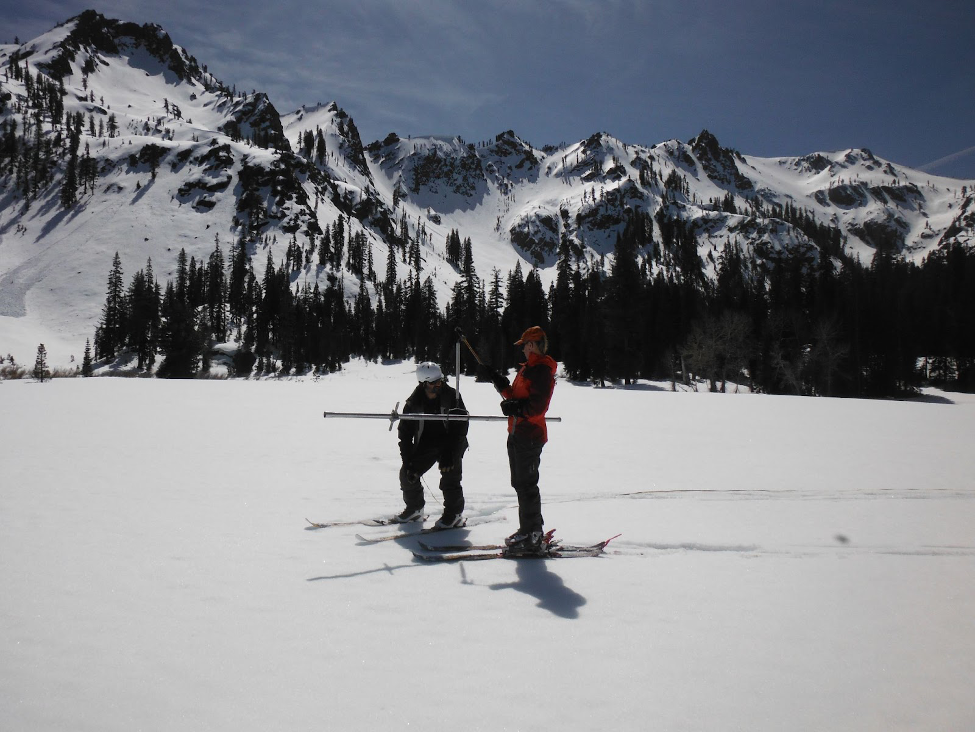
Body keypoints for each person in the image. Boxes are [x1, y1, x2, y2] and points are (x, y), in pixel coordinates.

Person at [477, 326, 557, 554]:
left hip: (529, 436)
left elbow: (537, 408)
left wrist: (515, 408)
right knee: (520, 483)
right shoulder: (528, 369)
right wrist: (498, 380)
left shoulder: (540, 370)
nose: (521, 350)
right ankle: (529, 529)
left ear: (532, 345)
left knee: (527, 485)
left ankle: (532, 534)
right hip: (517, 434)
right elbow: (515, 396)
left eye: (524, 345)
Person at [396, 361, 469, 528]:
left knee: (450, 477)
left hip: (451, 443)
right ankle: (415, 509)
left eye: (440, 381)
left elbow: (461, 426)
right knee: (407, 475)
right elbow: (405, 434)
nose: (438, 385)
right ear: (423, 384)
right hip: (426, 444)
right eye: (433, 383)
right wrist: (408, 461)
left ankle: (454, 514)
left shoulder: (452, 396)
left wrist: (451, 453)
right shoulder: (413, 402)